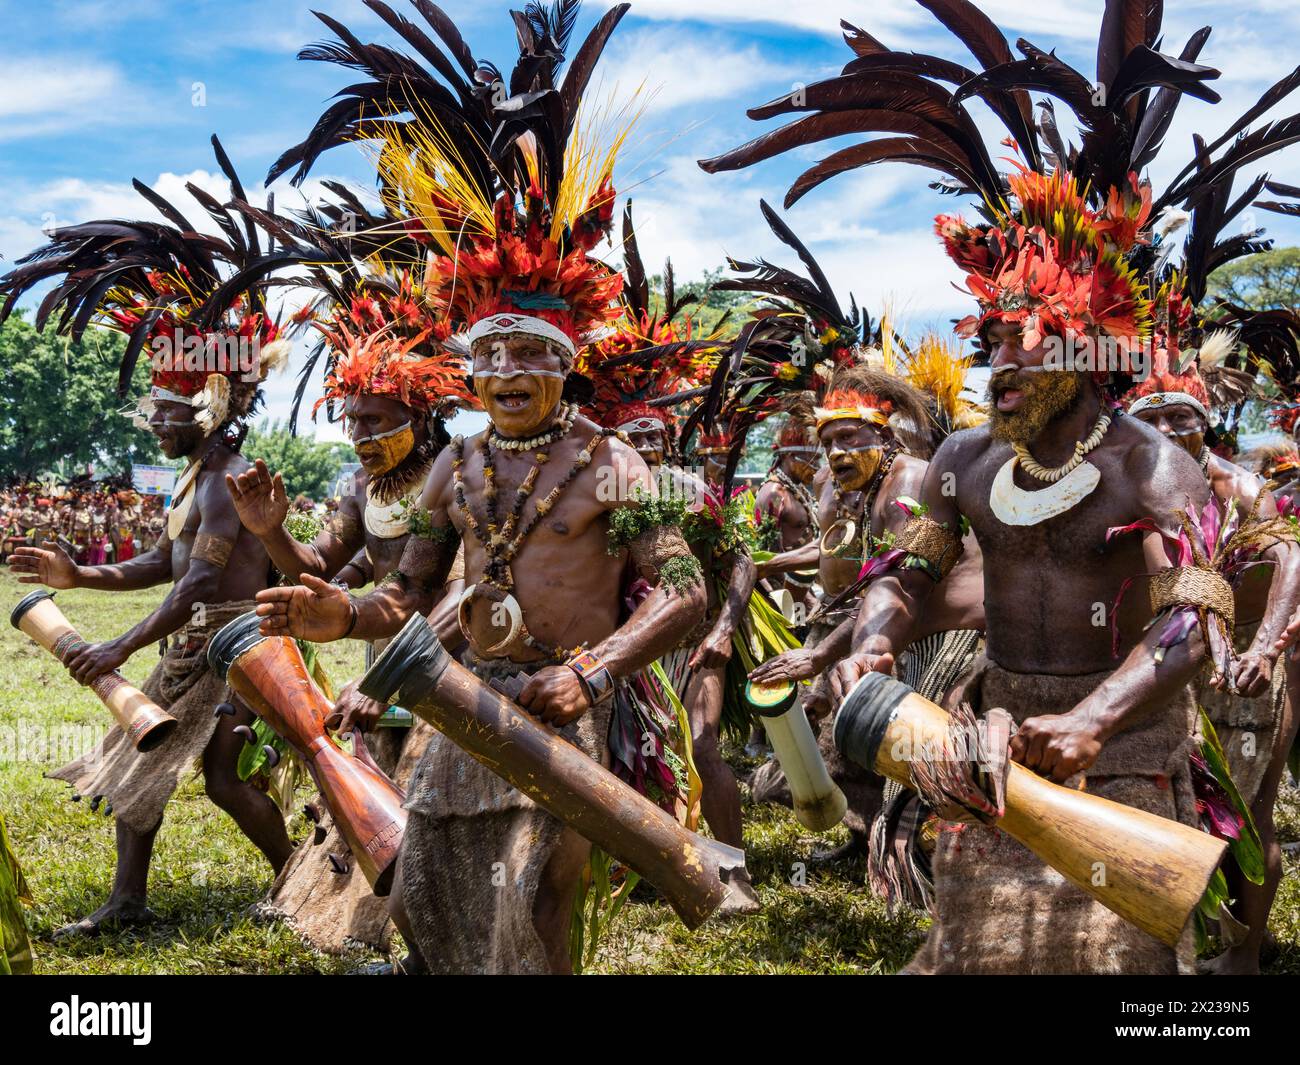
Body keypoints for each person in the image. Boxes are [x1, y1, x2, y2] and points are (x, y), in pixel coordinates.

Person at [253, 0, 708, 974]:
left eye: (528, 355)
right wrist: (339, 616)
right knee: (428, 889)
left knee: (533, 897)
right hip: (462, 696)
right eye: (487, 355)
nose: (503, 372)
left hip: (567, 703)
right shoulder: (457, 463)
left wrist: (591, 672)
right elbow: (412, 595)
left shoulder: (620, 464)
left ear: (564, 363)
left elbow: (685, 592)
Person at [1, 138, 292, 938]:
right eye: (155, 407)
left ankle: (300, 879)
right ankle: (129, 899)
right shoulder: (194, 479)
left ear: (210, 407)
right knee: (140, 759)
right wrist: (80, 575)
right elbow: (167, 561)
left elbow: (200, 584)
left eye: (169, 407)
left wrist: (119, 648)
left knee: (229, 781)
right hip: (194, 646)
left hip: (244, 646)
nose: (156, 419)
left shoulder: (234, 475)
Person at [225, 266, 475, 960]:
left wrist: (394, 662)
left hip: (447, 658)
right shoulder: (358, 486)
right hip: (383, 656)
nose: (359, 431)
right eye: (352, 417)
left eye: (374, 418)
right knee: (378, 799)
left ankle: (440, 940)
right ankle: (392, 934)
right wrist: (271, 530)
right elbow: (320, 565)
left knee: (432, 805)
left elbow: (446, 590)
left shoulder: (456, 472)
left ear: (418, 414)